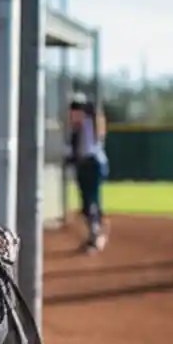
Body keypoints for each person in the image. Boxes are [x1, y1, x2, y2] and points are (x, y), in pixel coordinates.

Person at [67, 91, 109, 251]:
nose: (72, 114)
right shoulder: (80, 127)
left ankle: (96, 235)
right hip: (87, 165)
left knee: (91, 202)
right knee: (88, 203)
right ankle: (95, 234)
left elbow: (85, 149)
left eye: (75, 110)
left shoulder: (88, 124)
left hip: (92, 164)